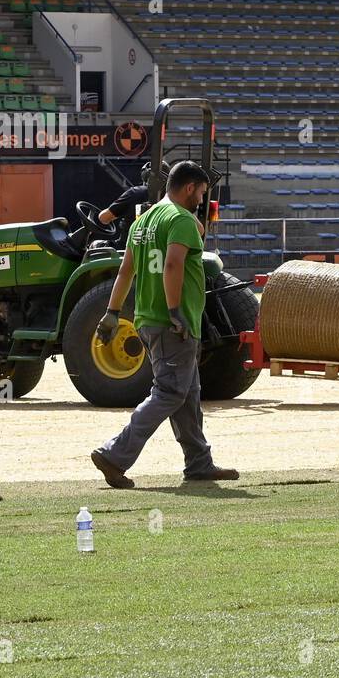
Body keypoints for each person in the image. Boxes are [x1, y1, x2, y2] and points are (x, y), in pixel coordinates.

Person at [90, 160, 239, 487]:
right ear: (189, 188)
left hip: (146, 318)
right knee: (170, 391)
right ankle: (114, 454)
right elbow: (173, 265)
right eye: (200, 192)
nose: (201, 200)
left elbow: (125, 271)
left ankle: (199, 463)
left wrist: (112, 313)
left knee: (187, 393)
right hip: (173, 322)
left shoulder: (142, 222)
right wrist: (176, 311)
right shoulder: (180, 220)